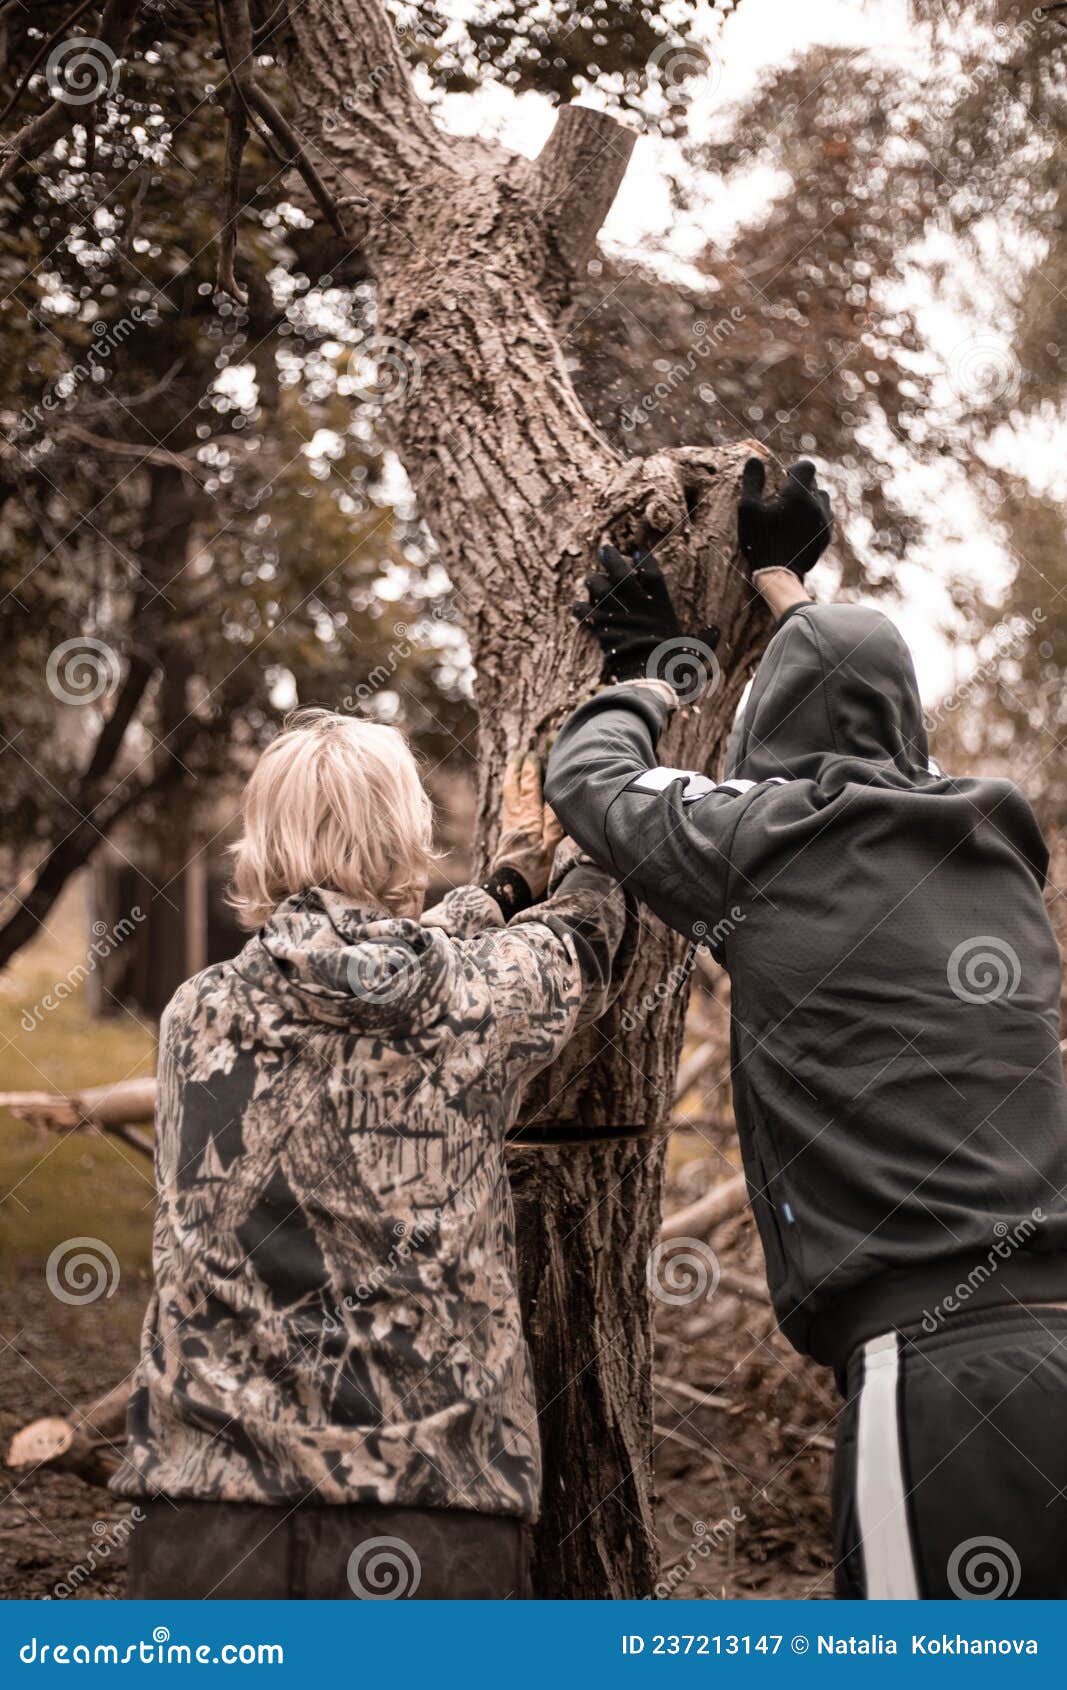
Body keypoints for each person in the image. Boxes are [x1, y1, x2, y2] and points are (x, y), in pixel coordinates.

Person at [545, 457, 1067, 1600]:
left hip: (934, 1383)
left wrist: (641, 671)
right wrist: (782, 583)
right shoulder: (995, 848)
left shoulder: (766, 845)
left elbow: (586, 777)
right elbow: (865, 726)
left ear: (763, 736)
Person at [111, 711, 629, 1600]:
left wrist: (500, 884)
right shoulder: (477, 999)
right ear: (406, 837)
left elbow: (350, 959)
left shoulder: (194, 1015)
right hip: (433, 1497)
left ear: (264, 840)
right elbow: (587, 931)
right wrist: (583, 835)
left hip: (207, 1496)